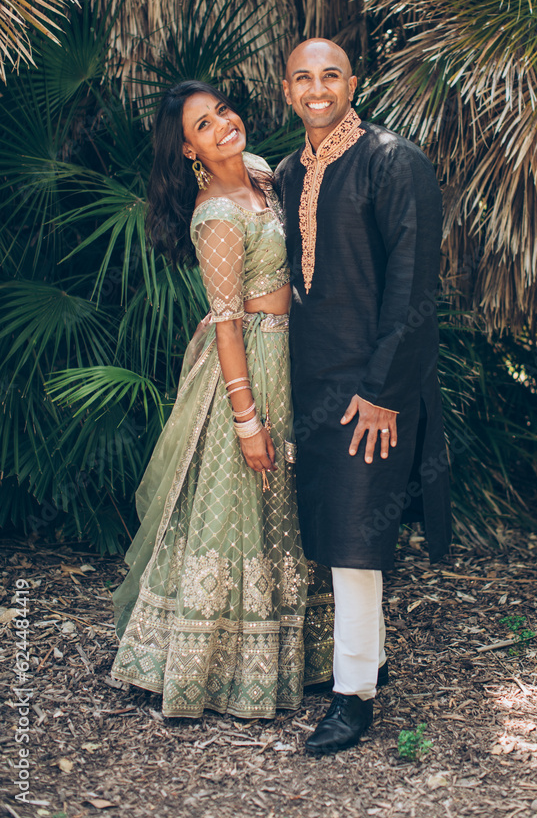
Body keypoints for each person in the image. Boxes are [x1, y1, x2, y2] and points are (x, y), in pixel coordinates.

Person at [110, 80, 333, 719]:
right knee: (237, 504)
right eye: (203, 125)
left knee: (282, 508)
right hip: (251, 365)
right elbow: (227, 320)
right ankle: (215, 665)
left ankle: (297, 656)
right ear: (188, 150)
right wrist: (245, 419)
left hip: (293, 353)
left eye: (223, 112)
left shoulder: (263, 174)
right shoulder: (214, 214)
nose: (222, 126)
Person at [275, 40, 451, 754]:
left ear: (353, 82)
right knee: (333, 529)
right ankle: (365, 659)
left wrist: (382, 392)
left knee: (355, 537)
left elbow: (413, 284)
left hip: (375, 385)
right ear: (286, 90)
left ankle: (353, 699)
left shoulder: (392, 160)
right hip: (312, 380)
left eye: (330, 76)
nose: (317, 89)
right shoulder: (289, 171)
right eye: (303, 78)